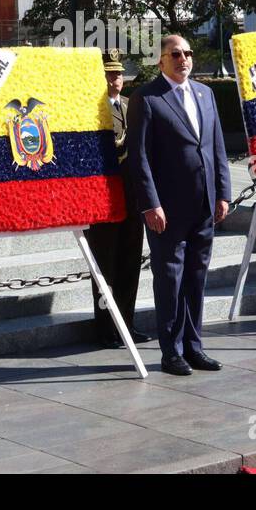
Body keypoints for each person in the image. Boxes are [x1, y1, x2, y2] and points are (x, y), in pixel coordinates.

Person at [127, 33, 231, 376]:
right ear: (161, 60)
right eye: (175, 54)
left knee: (196, 279)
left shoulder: (206, 94)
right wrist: (150, 204)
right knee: (170, 281)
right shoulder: (146, 98)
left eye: (187, 53)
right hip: (166, 211)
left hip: (204, 206)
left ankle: (194, 347)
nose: (183, 59)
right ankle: (170, 352)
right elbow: (139, 158)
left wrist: (223, 193)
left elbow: (216, 148)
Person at [84, 49, 149, 349]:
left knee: (129, 264)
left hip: (133, 200)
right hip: (104, 203)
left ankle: (127, 324)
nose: (116, 79)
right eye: (110, 74)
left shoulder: (130, 106)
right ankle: (106, 330)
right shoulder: (90, 111)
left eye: (119, 74)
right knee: (104, 268)